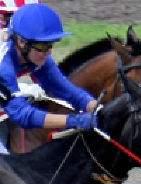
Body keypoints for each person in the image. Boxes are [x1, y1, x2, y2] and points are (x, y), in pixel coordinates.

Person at [0, 3, 97, 154]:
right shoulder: (3, 64)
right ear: (21, 42)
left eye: (50, 45)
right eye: (42, 46)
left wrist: (99, 109)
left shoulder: (36, 55)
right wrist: (73, 121)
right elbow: (22, 115)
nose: (48, 53)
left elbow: (69, 92)